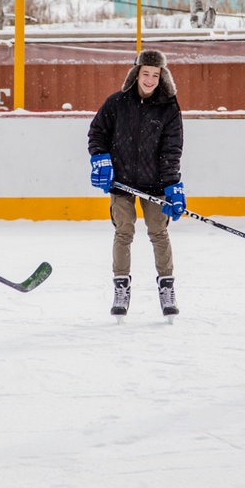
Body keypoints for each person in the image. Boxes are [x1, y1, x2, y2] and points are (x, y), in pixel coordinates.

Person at [88, 49, 186, 323]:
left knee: (159, 232)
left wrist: (172, 185)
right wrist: (100, 158)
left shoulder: (168, 107)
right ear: (136, 74)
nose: (150, 79)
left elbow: (171, 150)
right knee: (124, 232)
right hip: (121, 183)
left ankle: (167, 289)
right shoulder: (116, 103)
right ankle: (121, 288)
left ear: (161, 76)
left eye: (156, 75)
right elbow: (97, 133)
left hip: (154, 185)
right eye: (146, 74)